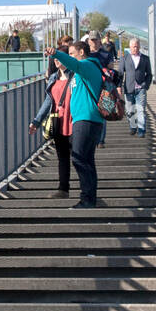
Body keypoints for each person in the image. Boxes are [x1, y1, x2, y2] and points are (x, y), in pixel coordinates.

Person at [51, 39, 105, 208]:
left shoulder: (87, 65)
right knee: (86, 159)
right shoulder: (86, 69)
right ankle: (90, 198)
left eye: (72, 54)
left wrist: (56, 53)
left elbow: (72, 64)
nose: (71, 57)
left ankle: (87, 198)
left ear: (82, 53)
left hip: (86, 119)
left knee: (79, 158)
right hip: (85, 119)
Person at [29, 40, 75, 198]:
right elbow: (48, 102)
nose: (56, 61)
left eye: (59, 57)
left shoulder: (76, 76)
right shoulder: (53, 78)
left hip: (75, 121)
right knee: (62, 157)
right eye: (54, 58)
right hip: (58, 122)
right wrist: (36, 121)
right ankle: (63, 189)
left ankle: (87, 190)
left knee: (79, 157)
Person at [118, 37, 151, 136]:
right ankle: (133, 127)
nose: (135, 49)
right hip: (129, 88)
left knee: (141, 109)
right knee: (130, 109)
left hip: (141, 88)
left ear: (139, 46)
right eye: (133, 47)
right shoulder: (124, 58)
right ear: (130, 47)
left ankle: (141, 130)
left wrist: (145, 85)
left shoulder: (145, 58)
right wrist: (119, 86)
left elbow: (149, 74)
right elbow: (120, 74)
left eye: (136, 46)